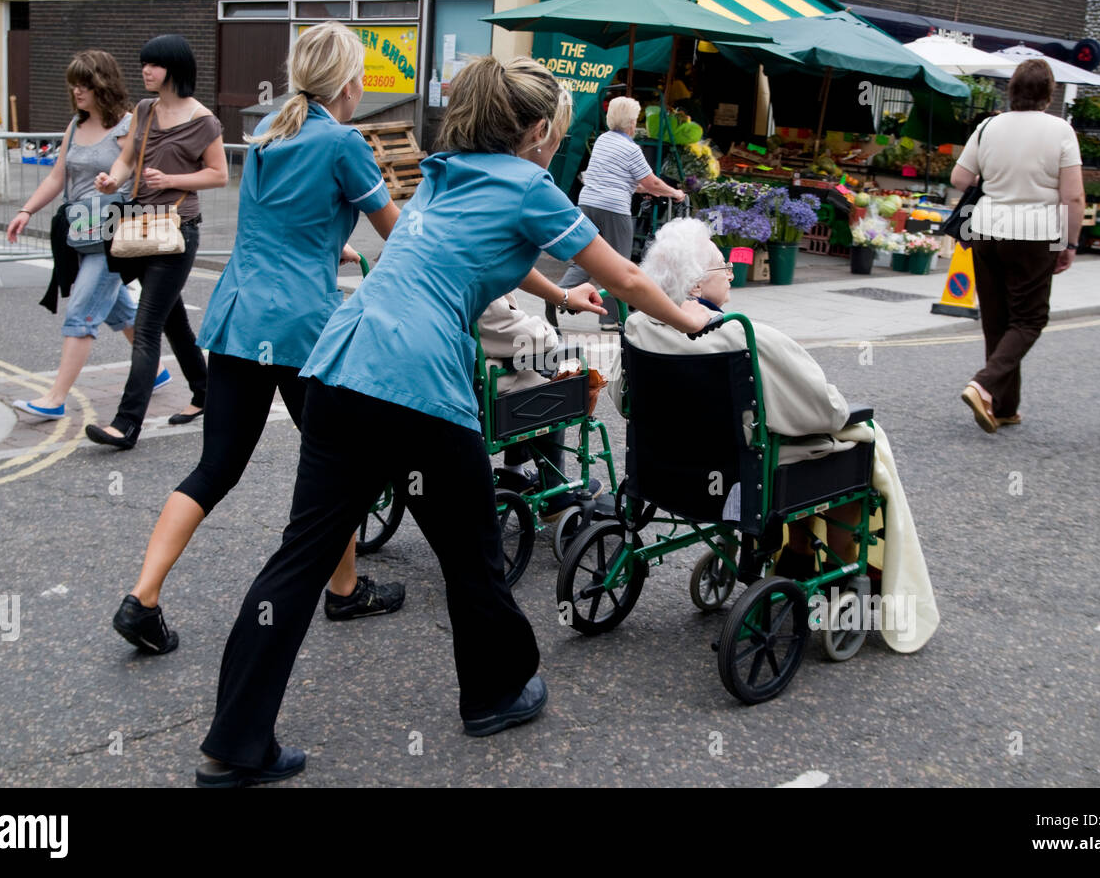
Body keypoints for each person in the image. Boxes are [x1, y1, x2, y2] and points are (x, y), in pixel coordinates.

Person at [195, 55, 712, 787]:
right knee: (473, 553)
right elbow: (624, 274)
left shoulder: (445, 172)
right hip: (417, 382)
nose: (555, 148)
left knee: (299, 557)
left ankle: (233, 743)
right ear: (535, 132)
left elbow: (468, 253)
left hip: (342, 366)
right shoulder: (529, 185)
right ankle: (495, 692)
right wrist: (689, 317)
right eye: (555, 135)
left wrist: (560, 300)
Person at [111, 23, 405, 655]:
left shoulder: (271, 131)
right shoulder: (344, 142)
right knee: (340, 460)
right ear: (350, 83)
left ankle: (143, 598)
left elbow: (279, 226)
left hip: (241, 316)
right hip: (302, 327)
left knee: (216, 466)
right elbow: (400, 234)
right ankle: (345, 591)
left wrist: (333, 243)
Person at [609, 218, 938, 652]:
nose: (730, 275)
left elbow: (622, 399)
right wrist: (845, 413)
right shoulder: (746, 336)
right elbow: (823, 409)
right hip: (744, 473)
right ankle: (838, 576)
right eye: (724, 268)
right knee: (858, 439)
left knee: (791, 441)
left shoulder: (639, 326)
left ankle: (798, 551)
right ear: (694, 286)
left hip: (668, 467)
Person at [6, 50, 170, 418]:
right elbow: (57, 176)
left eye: (84, 84)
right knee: (115, 305)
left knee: (82, 307)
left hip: (113, 234)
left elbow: (145, 177)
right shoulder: (74, 125)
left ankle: (55, 398)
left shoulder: (129, 127)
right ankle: (156, 370)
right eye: (73, 84)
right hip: (79, 231)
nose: (77, 91)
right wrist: (26, 210)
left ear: (103, 84)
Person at [86, 34, 227, 449]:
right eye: (144, 64)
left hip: (177, 232)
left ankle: (126, 424)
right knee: (173, 321)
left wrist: (172, 180)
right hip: (140, 226)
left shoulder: (204, 120)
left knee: (146, 328)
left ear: (175, 70)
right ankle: (205, 393)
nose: (145, 71)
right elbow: (128, 157)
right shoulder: (144, 110)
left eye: (154, 65)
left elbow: (218, 174)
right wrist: (113, 177)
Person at [950, 58, 1083, 433]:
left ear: (1012, 91)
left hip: (986, 228)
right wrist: (1070, 243)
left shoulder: (989, 126)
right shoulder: (1060, 130)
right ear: (1049, 93)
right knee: (1029, 319)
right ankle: (983, 384)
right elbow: (1073, 197)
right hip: (1035, 232)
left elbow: (960, 177)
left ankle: (1005, 407)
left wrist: (994, 182)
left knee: (997, 319)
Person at [551, 95, 686, 331]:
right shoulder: (631, 148)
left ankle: (556, 296)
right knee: (619, 266)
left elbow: (625, 179)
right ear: (631, 123)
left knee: (587, 256)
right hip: (613, 209)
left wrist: (643, 189)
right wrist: (674, 193)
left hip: (588, 202)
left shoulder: (603, 140)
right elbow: (652, 182)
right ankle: (610, 319)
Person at [478, 292, 602, 518]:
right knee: (553, 389)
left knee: (532, 374)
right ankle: (556, 493)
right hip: (489, 392)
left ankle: (513, 472)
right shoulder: (479, 290)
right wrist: (549, 331)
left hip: (466, 379)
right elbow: (527, 335)